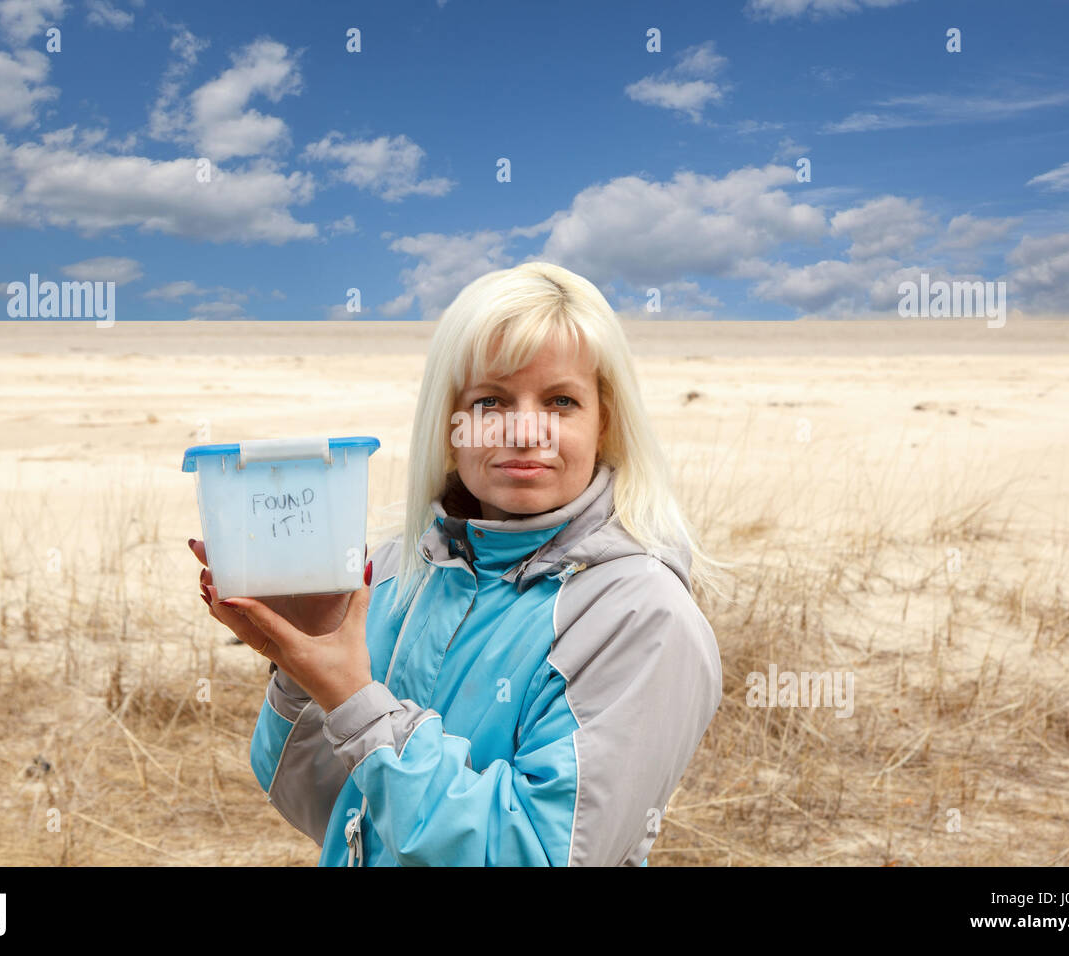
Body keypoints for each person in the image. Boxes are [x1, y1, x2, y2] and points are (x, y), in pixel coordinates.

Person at [189, 261, 727, 866]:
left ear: (604, 423)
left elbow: (539, 854)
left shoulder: (640, 616)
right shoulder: (395, 572)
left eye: (561, 401)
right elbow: (335, 815)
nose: (527, 432)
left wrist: (356, 702)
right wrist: (305, 663)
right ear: (450, 426)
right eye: (492, 401)